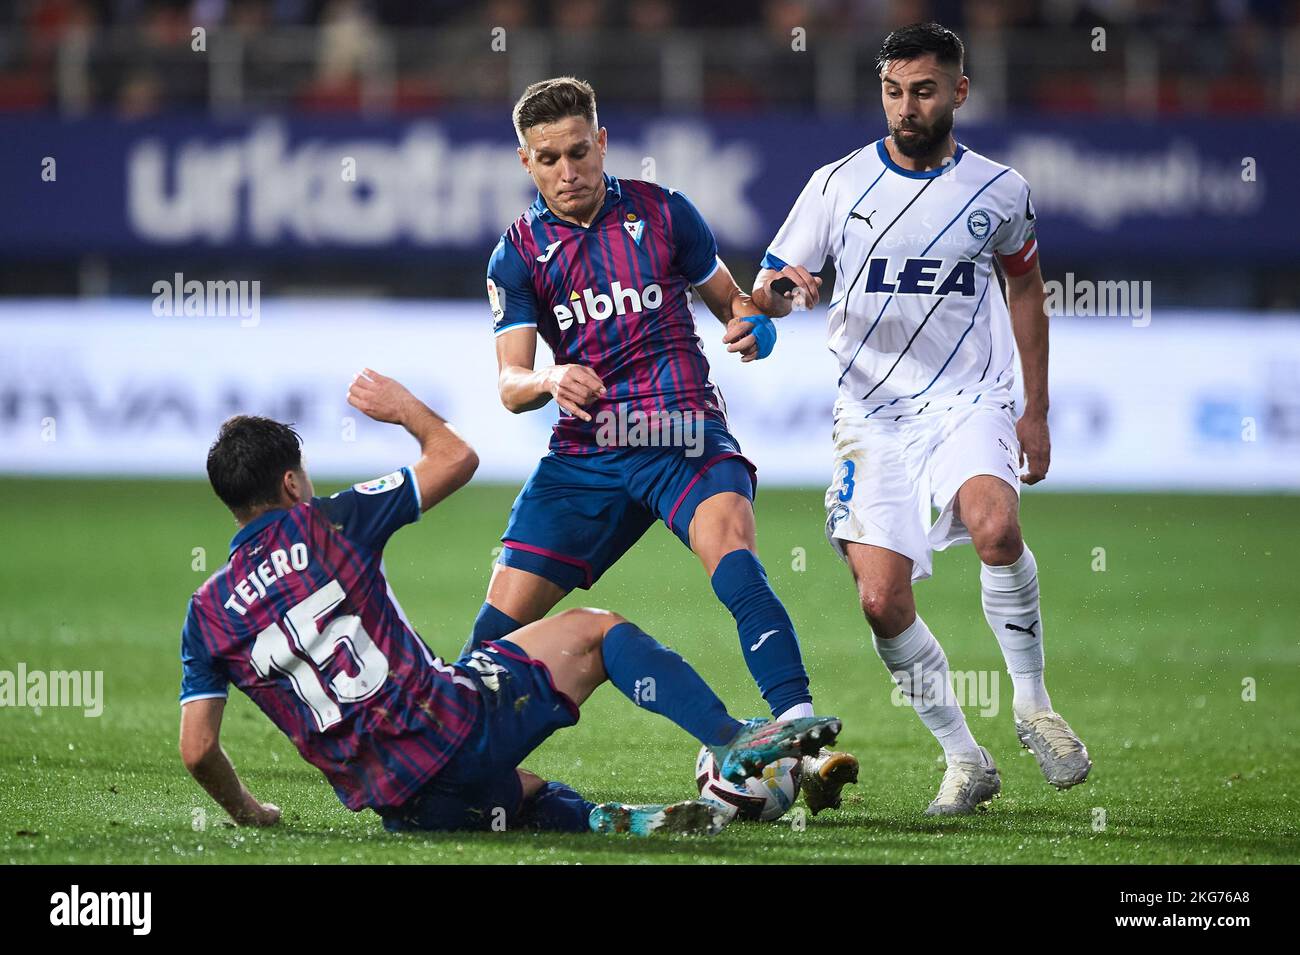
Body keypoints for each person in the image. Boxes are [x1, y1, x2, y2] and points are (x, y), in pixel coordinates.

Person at [177, 369, 841, 835]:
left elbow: (198, 748)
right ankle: (734, 740)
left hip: (399, 802)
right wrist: (405, 406)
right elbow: (456, 458)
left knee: (516, 797)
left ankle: (600, 819)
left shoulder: (205, 613)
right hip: (452, 724)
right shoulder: (326, 522)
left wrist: (249, 810)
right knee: (597, 631)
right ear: (292, 481)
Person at [476, 75, 858, 813]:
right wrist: (553, 378)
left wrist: (762, 323)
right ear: (527, 163)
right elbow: (509, 382)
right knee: (494, 639)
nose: (568, 171)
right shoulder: (517, 255)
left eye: (579, 151)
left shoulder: (664, 213)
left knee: (733, 555)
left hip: (681, 429)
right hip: (585, 453)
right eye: (548, 158)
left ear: (603, 142)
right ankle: (454, 759)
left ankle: (797, 735)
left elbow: (735, 308)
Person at [746, 22, 1090, 815]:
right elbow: (773, 286)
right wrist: (776, 301)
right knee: (880, 600)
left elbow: (1027, 291)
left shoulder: (1001, 190)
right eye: (894, 91)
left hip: (968, 398)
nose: (907, 106)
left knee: (996, 529)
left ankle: (1034, 702)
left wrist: (1034, 409)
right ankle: (966, 759)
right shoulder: (836, 185)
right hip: (869, 414)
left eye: (924, 90)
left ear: (959, 92)